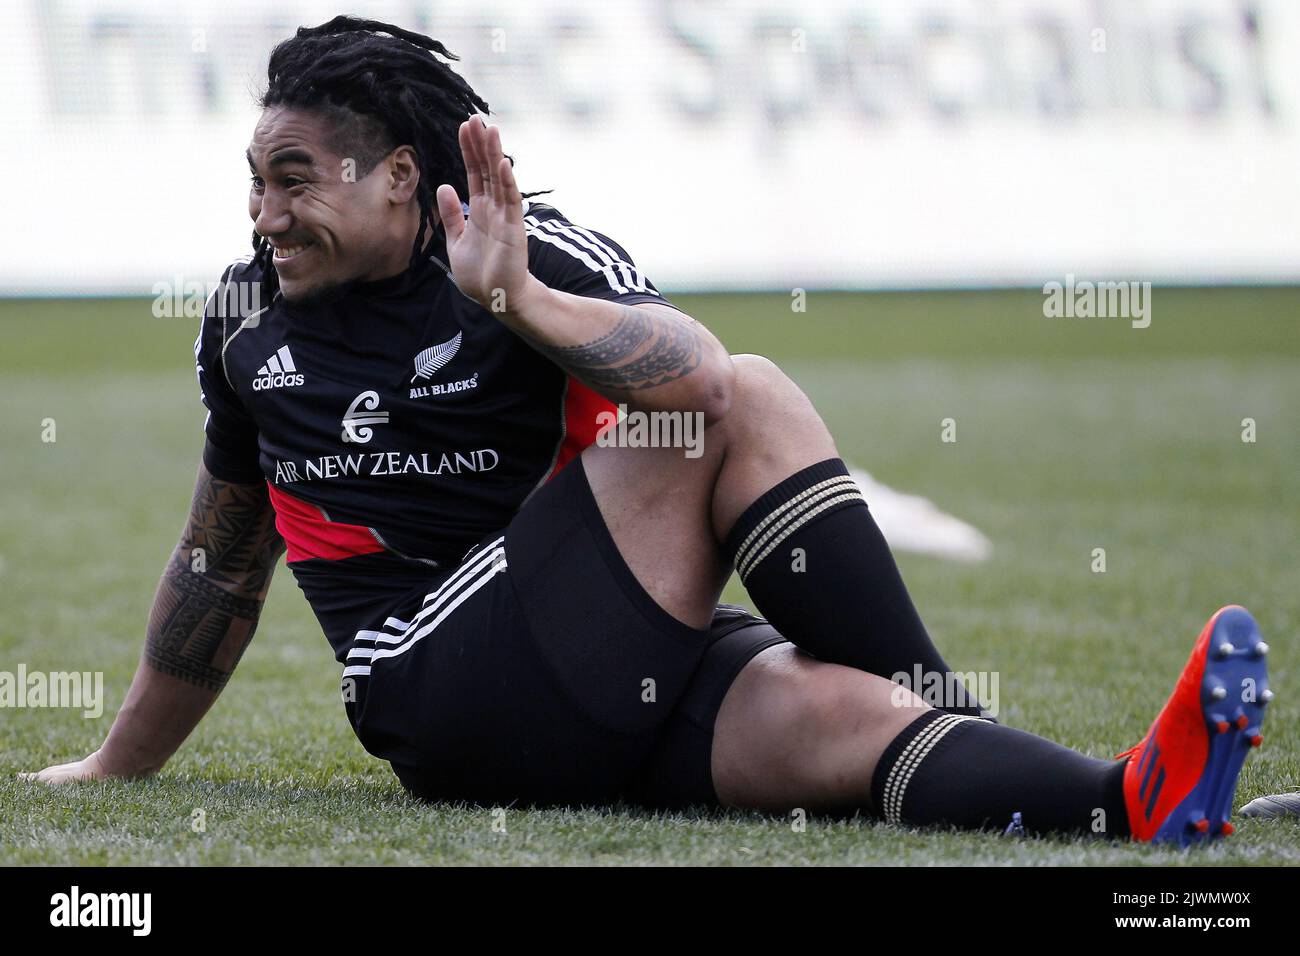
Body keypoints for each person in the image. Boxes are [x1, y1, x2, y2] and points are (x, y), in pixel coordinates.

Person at [23, 17, 1271, 846]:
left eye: (294, 177)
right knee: (759, 393)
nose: (265, 211)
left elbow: (688, 373)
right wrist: (116, 762)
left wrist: (519, 302)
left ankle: (1127, 802)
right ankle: (951, 702)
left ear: (399, 175)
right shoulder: (245, 317)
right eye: (255, 178)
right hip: (435, 691)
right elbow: (221, 563)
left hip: (592, 663)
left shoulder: (530, 254)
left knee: (836, 719)